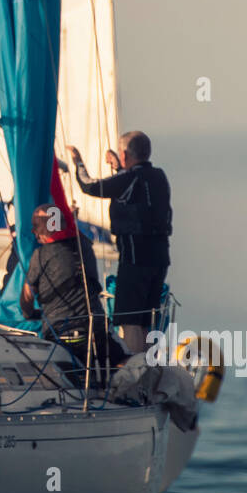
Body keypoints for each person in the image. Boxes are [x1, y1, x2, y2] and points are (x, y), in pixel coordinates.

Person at [67, 131, 172, 355]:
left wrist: (78, 163)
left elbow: (90, 186)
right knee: (146, 320)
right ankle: (148, 372)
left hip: (135, 261)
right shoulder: (158, 177)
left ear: (124, 154)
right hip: (159, 260)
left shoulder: (130, 179)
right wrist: (120, 168)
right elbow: (133, 189)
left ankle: (136, 371)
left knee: (130, 319)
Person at [19, 205, 123, 384]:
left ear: (44, 229)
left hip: (59, 332)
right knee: (118, 361)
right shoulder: (85, 246)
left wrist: (29, 314)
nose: (35, 233)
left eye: (37, 228)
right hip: (93, 327)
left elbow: (28, 295)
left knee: (62, 381)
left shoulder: (40, 255)